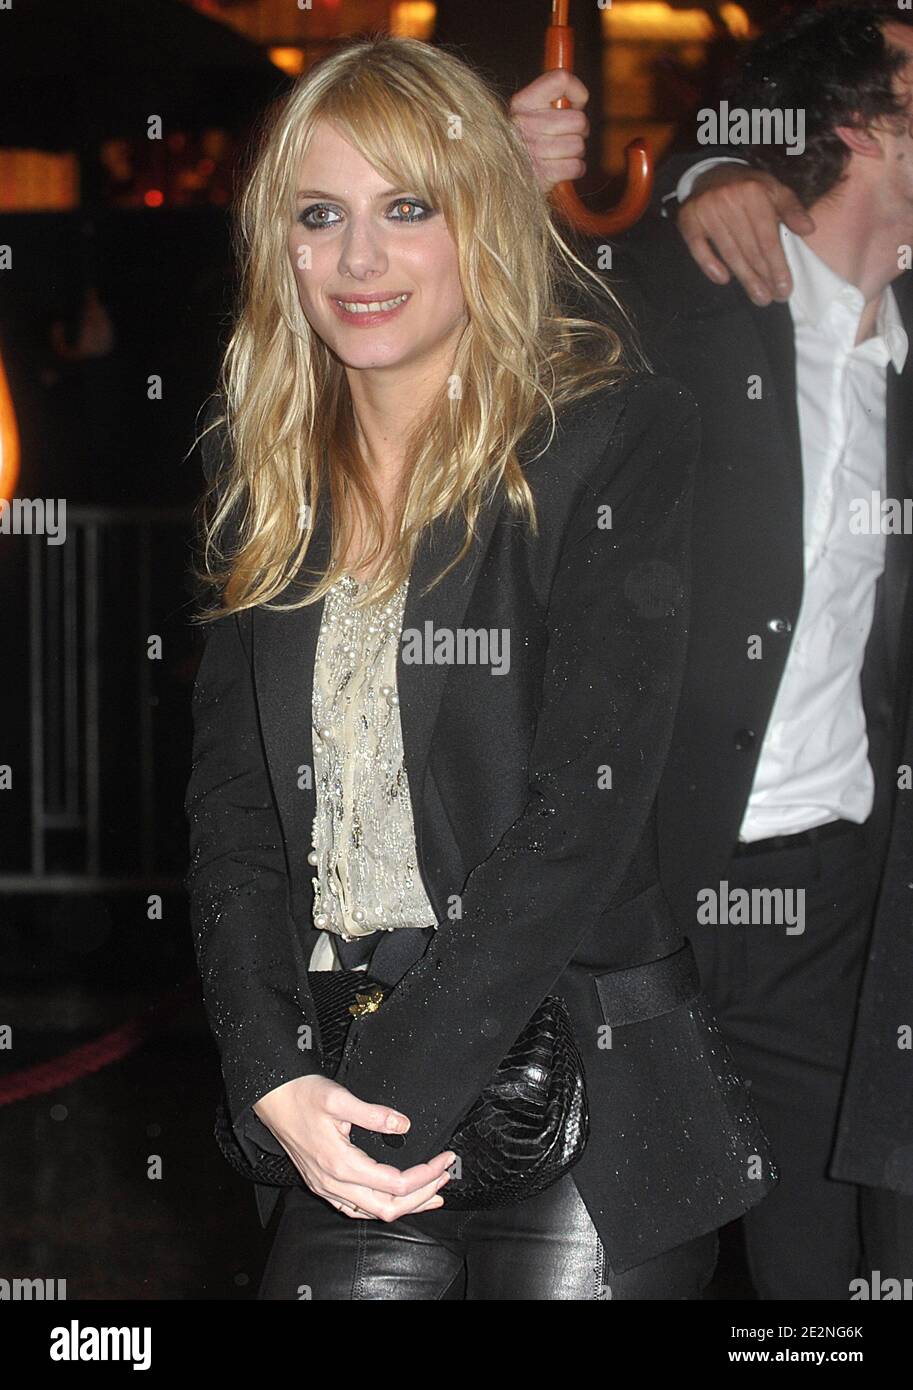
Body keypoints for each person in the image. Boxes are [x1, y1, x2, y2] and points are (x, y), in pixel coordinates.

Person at [185, 34, 776, 1301]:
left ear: (483, 224)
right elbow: (232, 819)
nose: (358, 259)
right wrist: (272, 1079)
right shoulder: (266, 488)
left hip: (586, 1098)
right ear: (278, 245)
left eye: (408, 210)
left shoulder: (608, 440)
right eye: (319, 215)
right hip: (336, 1096)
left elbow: (585, 816)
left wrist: (381, 1101)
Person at [511, 3, 913, 1300]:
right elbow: (499, 325)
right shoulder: (689, 293)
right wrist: (534, 173)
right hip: (640, 912)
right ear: (862, 125)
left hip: (830, 921)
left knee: (822, 1288)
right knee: (629, 1275)